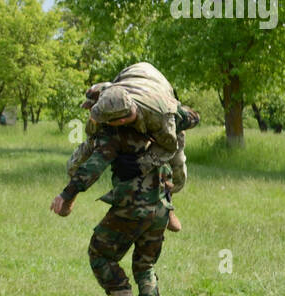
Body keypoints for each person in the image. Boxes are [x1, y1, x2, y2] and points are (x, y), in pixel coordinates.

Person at [52, 120, 173, 296]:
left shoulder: (113, 131)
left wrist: (67, 194)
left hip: (133, 205)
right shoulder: (154, 130)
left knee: (100, 253)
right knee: (145, 264)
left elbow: (94, 167)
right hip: (161, 206)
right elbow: (168, 169)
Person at [80, 62, 198, 231]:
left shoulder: (165, 115)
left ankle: (168, 205)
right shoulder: (110, 96)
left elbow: (168, 148)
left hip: (163, 111)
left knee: (176, 170)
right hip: (132, 81)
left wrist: (141, 165)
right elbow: (92, 132)